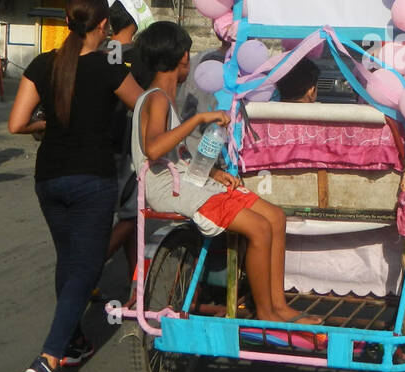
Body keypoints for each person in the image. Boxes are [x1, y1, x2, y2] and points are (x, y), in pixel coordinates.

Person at [8, 0, 145, 372]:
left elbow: (16, 123)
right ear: (103, 25)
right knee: (85, 268)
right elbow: (144, 107)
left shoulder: (42, 64)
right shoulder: (109, 63)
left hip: (49, 178)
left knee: (69, 262)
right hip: (92, 178)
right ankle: (49, 360)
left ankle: (74, 341)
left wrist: (54, 119)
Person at [132, 21, 314, 327]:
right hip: (168, 189)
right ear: (183, 58)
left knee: (275, 217)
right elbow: (153, 149)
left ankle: (279, 306)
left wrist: (213, 172)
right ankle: (267, 312)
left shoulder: (159, 97)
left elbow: (172, 153)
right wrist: (199, 119)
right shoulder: (157, 98)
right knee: (258, 229)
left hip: (185, 179)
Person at [104, 0, 156, 273]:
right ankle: (91, 269)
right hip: (129, 145)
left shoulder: (97, 53)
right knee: (130, 214)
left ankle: (137, 285)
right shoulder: (141, 58)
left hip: (100, 141)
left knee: (129, 215)